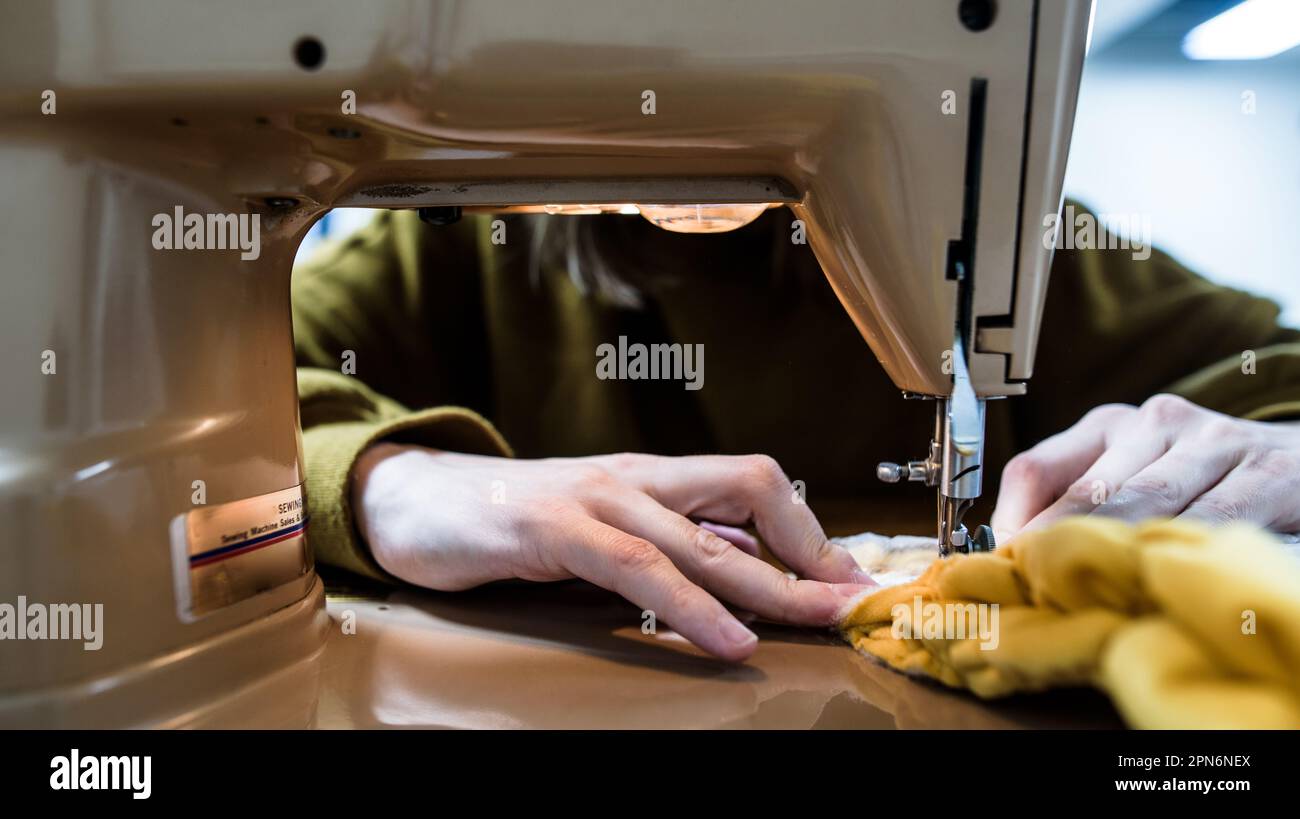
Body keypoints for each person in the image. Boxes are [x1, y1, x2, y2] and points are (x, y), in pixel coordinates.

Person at [291, 204, 1300, 661]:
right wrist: (388, 480)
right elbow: (183, 417)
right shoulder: (442, 263)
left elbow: (1275, 369)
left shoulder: (1014, 244)